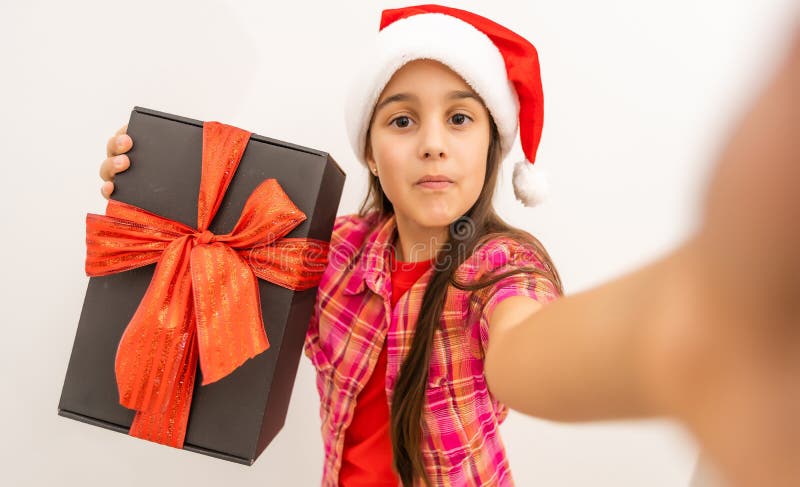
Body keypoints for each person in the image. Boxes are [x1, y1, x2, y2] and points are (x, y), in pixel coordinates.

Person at [97, 4, 799, 487]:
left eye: (459, 117)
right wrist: (146, 197)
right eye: (403, 120)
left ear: (492, 144)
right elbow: (211, 277)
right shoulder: (333, 252)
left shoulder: (500, 270)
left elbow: (528, 346)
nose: (432, 141)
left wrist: (688, 333)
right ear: (370, 151)